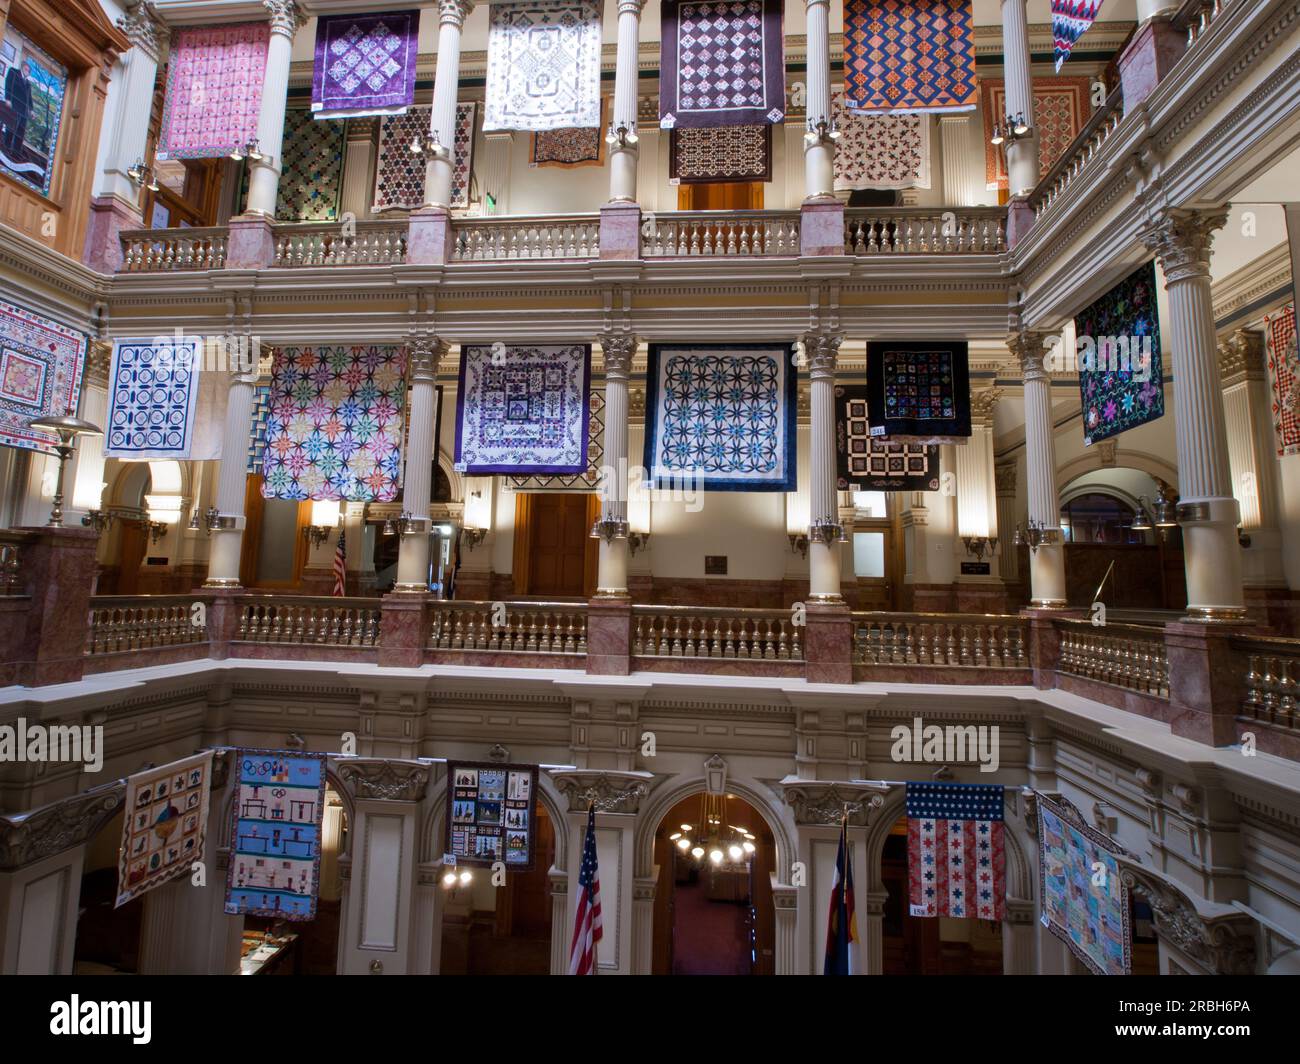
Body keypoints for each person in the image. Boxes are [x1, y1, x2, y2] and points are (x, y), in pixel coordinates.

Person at [2, 60, 30, 156]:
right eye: (26, 69)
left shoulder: (28, 83)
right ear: (22, 67)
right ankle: (5, 148)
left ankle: (15, 153)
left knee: (20, 132)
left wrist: (32, 110)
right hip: (14, 105)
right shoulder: (13, 72)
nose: (28, 72)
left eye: (29, 71)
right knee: (11, 127)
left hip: (23, 111)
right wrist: (8, 99)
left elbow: (29, 97)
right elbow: (8, 84)